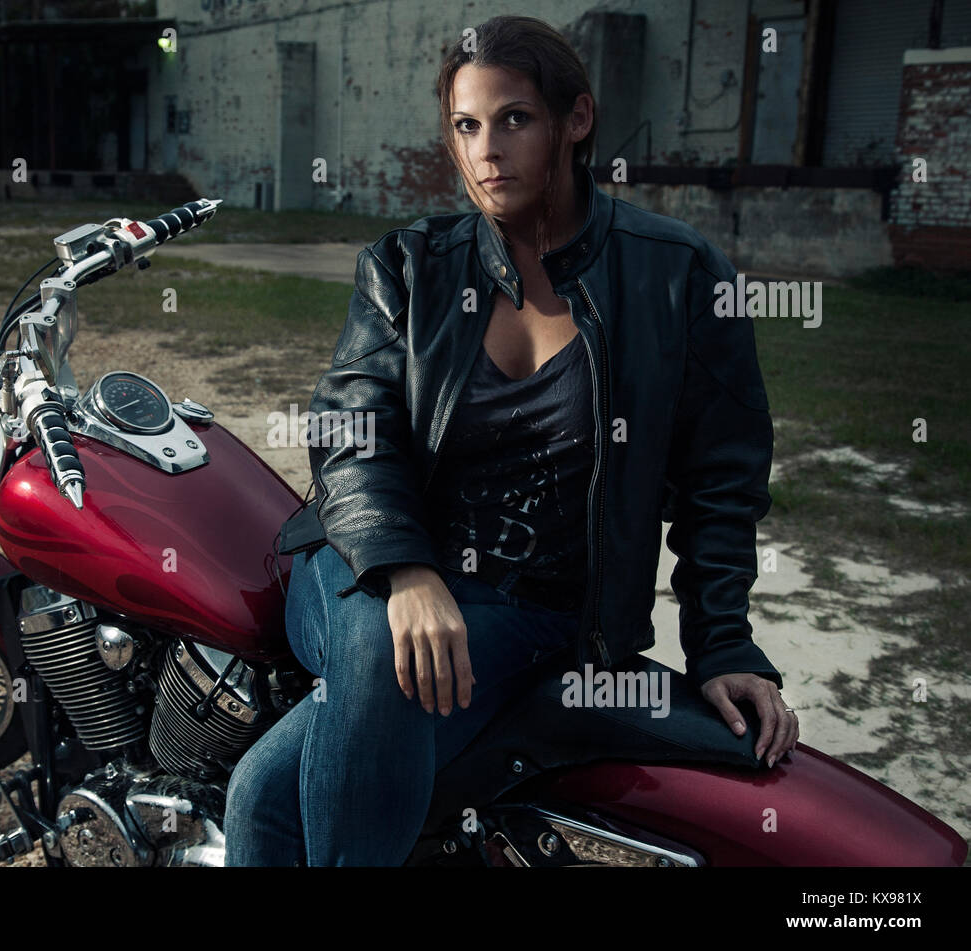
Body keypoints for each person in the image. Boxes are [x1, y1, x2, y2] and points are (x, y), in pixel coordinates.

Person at [224, 14, 799, 867]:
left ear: (577, 120)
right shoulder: (409, 267)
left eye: (514, 119)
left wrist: (724, 645)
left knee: (265, 798)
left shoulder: (676, 274)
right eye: (466, 125)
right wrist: (407, 571)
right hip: (362, 573)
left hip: (533, 613)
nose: (486, 150)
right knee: (384, 650)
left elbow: (723, 482)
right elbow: (353, 431)